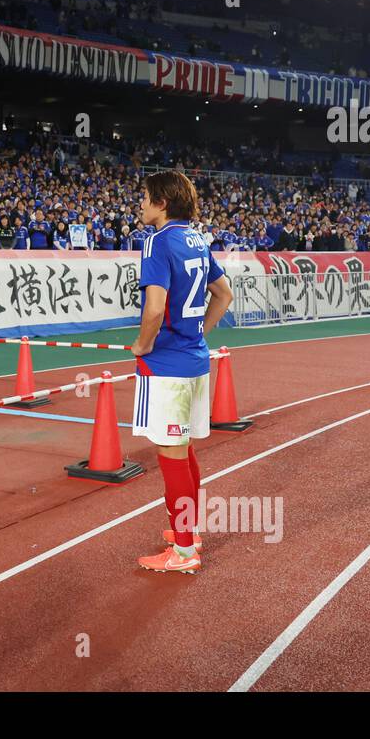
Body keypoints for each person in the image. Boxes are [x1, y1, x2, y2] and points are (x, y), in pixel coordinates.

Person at [130, 171, 233, 575]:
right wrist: (198, 333)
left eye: (145, 197)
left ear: (162, 202)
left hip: (167, 367)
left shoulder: (156, 242)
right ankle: (185, 531)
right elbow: (223, 293)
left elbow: (154, 309)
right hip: (194, 360)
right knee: (184, 449)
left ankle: (185, 550)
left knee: (171, 453)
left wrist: (142, 344)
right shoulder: (195, 238)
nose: (140, 204)